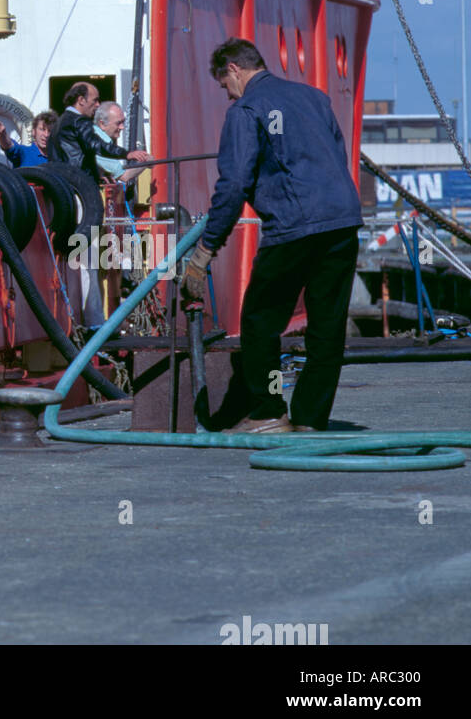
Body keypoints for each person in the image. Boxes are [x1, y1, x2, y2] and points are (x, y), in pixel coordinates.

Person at [181, 37, 363, 434]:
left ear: (233, 69)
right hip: (343, 221)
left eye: (224, 85)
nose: (227, 95)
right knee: (327, 327)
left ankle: (268, 410)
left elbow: (233, 185)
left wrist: (206, 249)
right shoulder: (315, 98)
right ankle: (310, 419)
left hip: (294, 226)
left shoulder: (247, 108)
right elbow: (335, 156)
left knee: (260, 323)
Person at [50, 82, 149, 181]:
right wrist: (126, 154)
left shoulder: (59, 123)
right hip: (79, 182)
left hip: (62, 182)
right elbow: (96, 145)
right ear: (81, 100)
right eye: (95, 100)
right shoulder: (79, 121)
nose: (98, 104)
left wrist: (97, 174)